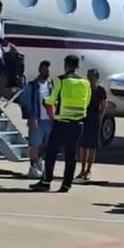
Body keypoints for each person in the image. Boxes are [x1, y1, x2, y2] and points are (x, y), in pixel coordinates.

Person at [30, 54, 91, 193]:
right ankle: (66, 184)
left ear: (66, 65)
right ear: (77, 66)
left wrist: (45, 100)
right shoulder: (85, 82)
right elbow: (87, 102)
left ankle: (46, 181)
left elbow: (52, 99)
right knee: (71, 155)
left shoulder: (61, 80)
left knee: (51, 153)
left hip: (62, 123)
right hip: (78, 124)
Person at [18, 60, 53, 178]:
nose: (46, 72)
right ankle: (32, 167)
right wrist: (30, 117)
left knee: (45, 144)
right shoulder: (32, 85)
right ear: (39, 70)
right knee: (34, 144)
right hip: (37, 119)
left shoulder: (51, 85)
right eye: (44, 69)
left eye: (48, 70)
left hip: (49, 120)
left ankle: (39, 163)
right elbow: (24, 101)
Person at [76, 68, 108, 181]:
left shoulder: (100, 90)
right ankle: (82, 169)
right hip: (83, 117)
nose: (90, 78)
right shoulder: (84, 88)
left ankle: (88, 169)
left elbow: (104, 105)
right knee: (83, 145)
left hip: (94, 119)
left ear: (97, 77)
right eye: (89, 75)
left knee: (92, 146)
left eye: (93, 76)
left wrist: (100, 117)